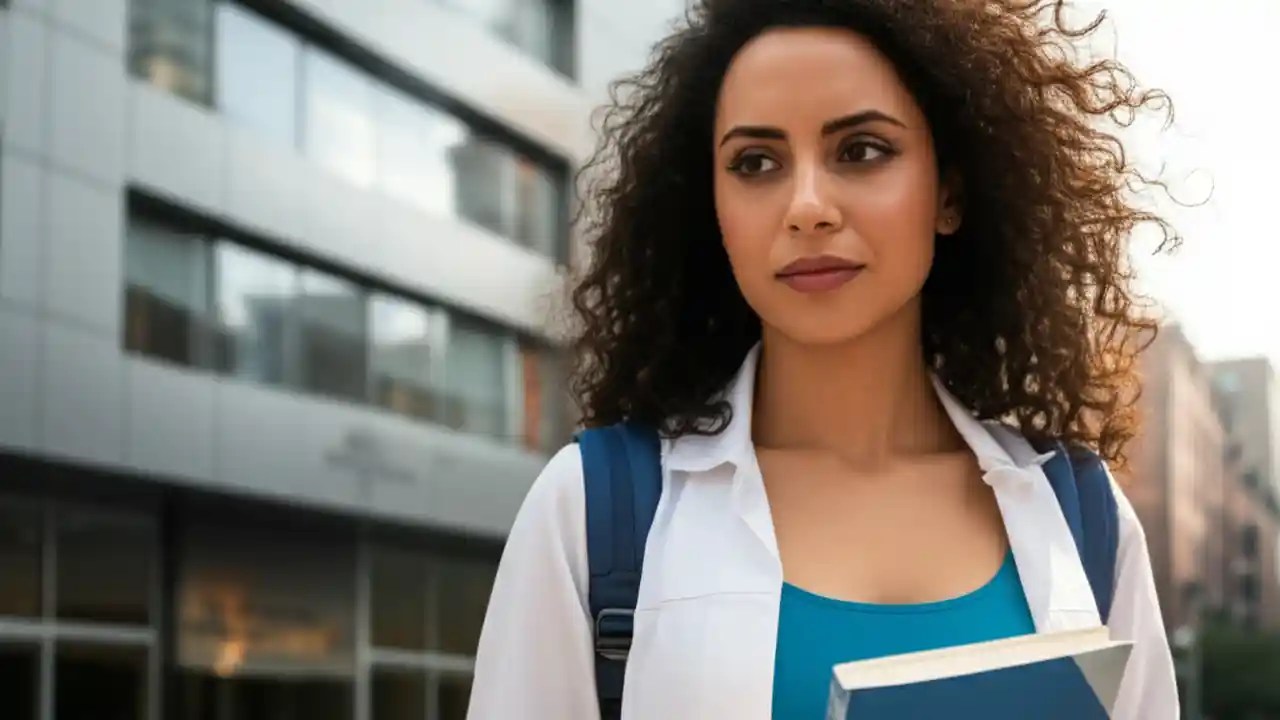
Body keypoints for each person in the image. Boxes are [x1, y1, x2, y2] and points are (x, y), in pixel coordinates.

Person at [468, 0, 1179, 717]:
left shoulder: (1087, 524)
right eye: (756, 163)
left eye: (862, 150)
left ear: (950, 194)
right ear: (711, 208)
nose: (807, 206)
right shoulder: (592, 513)